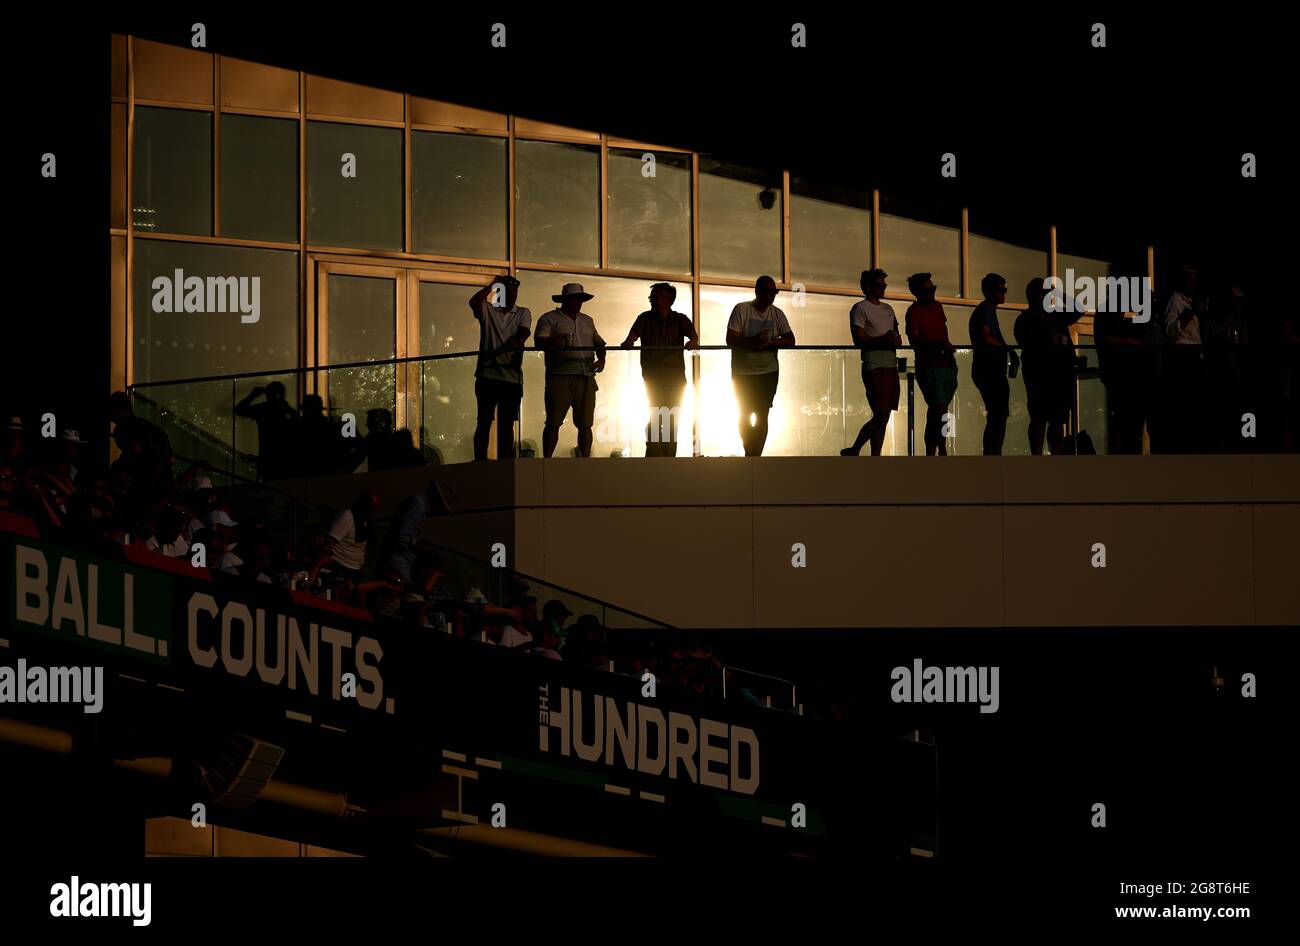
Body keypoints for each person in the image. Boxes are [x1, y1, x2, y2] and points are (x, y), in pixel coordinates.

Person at [621, 283, 699, 457]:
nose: (652, 300)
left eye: (656, 297)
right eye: (652, 297)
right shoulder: (644, 318)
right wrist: (628, 342)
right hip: (653, 377)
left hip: (675, 378)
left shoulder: (679, 319)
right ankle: (655, 453)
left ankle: (666, 455)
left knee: (671, 418)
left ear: (668, 300)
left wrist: (692, 342)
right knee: (656, 414)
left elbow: (694, 336)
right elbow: (632, 337)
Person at [535, 283, 607, 458]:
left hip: (586, 375)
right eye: (576, 299)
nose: (579, 302)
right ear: (566, 300)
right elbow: (539, 342)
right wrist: (554, 342)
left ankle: (585, 459)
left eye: (580, 299)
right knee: (554, 421)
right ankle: (548, 460)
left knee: (585, 424)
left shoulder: (587, 320)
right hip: (560, 376)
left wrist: (602, 358)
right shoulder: (549, 318)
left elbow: (599, 343)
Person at [726, 275, 796, 456]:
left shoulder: (777, 313)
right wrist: (754, 341)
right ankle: (752, 453)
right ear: (757, 292)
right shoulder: (742, 309)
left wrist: (772, 343)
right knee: (744, 413)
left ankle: (754, 454)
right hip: (743, 372)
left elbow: (791, 340)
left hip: (768, 372)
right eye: (767, 291)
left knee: (761, 413)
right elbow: (730, 339)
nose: (770, 296)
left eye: (773, 292)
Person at [1015, 277, 1082, 455]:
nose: (1045, 296)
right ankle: (1037, 455)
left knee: (1058, 419)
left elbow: (1079, 309)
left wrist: (1057, 292)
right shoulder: (1025, 320)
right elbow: (1025, 344)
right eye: (1041, 293)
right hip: (1040, 377)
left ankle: (1056, 454)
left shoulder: (1055, 316)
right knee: (1039, 418)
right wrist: (1046, 342)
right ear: (1032, 296)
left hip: (1060, 375)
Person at [468, 275, 532, 460]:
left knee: (506, 424)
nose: (512, 294)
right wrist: (492, 285)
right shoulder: (488, 310)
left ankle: (504, 460)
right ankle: (481, 461)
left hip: (509, 378)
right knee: (484, 422)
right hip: (488, 375)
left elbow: (523, 333)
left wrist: (516, 342)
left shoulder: (522, 312)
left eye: (514, 291)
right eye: (507, 290)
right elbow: (474, 302)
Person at [842, 269, 901, 457]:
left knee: (884, 415)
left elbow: (897, 337)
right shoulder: (860, 308)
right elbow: (858, 338)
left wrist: (893, 339)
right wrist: (884, 339)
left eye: (884, 285)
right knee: (881, 413)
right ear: (868, 287)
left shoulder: (888, 309)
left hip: (891, 364)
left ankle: (875, 454)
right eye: (879, 285)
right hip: (874, 364)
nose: (883, 288)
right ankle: (856, 448)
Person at [904, 273, 959, 455]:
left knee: (940, 410)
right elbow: (915, 340)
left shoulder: (937, 307)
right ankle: (937, 448)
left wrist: (945, 347)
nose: (932, 293)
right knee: (939, 408)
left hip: (946, 363)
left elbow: (942, 332)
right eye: (928, 290)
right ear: (917, 293)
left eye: (933, 289)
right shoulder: (914, 312)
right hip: (930, 365)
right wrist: (939, 344)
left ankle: (936, 447)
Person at [968, 273, 1020, 455]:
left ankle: (993, 451)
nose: (1003, 293)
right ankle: (993, 452)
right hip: (988, 370)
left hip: (991, 370)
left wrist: (1007, 350)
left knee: (998, 414)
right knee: (998, 414)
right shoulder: (984, 312)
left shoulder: (988, 312)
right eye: (1000, 290)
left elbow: (991, 337)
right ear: (989, 291)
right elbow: (987, 338)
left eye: (1004, 290)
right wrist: (1008, 350)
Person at [382, 480, 453, 582]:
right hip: (399, 561)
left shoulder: (418, 503)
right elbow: (402, 537)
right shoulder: (419, 504)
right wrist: (418, 545)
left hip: (400, 559)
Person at [235, 381, 297, 481]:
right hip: (288, 462)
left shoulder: (264, 410)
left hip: (267, 462)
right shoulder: (291, 413)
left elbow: (239, 410)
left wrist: (253, 395)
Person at [324, 489, 381, 582]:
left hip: (354, 568)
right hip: (339, 566)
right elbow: (330, 541)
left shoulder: (366, 521)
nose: (372, 513)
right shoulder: (347, 517)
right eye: (371, 509)